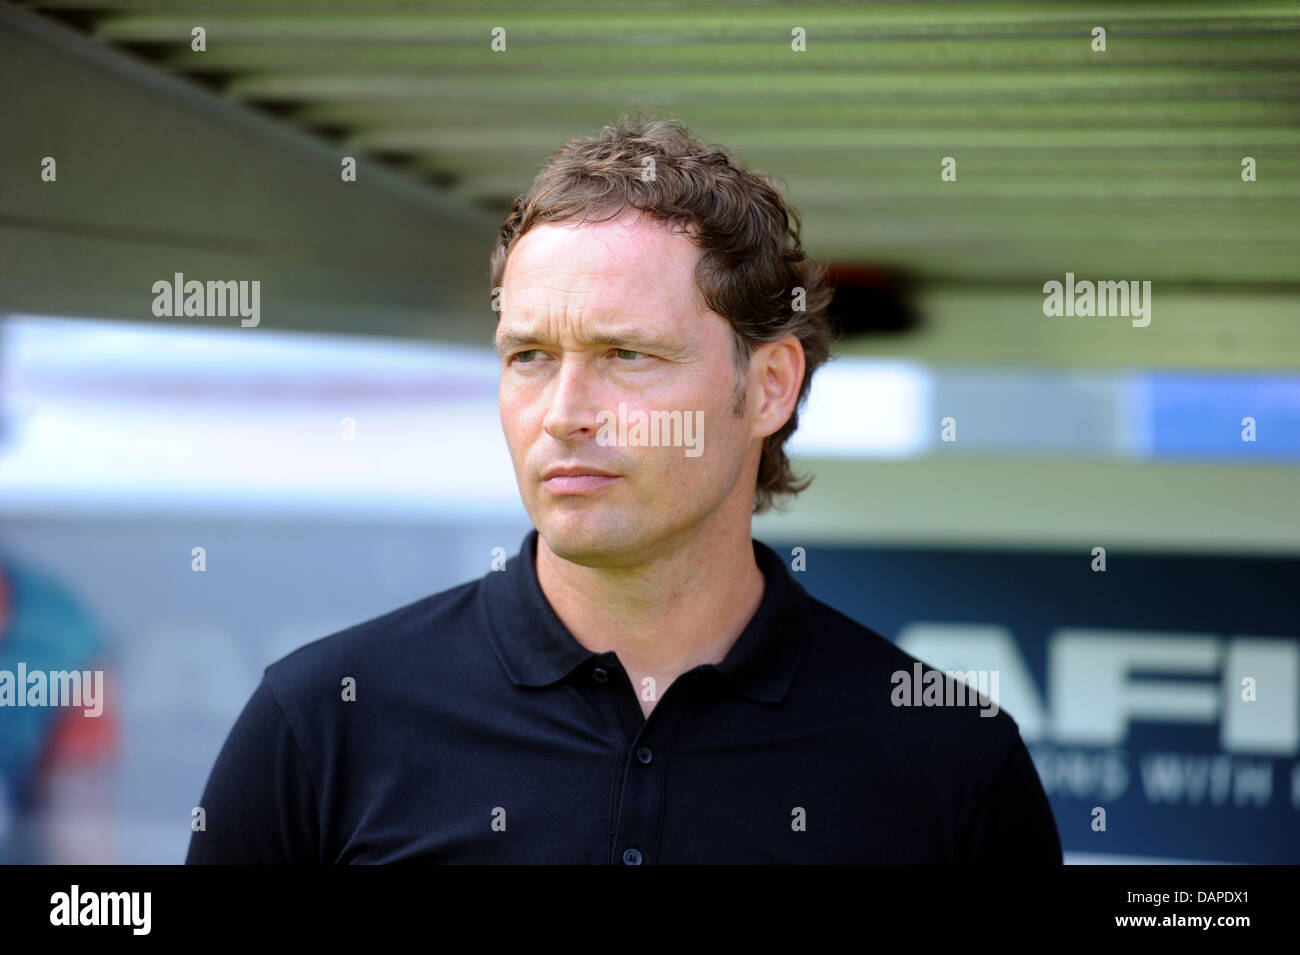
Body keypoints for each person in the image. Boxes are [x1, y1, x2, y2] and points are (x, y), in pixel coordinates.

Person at [186, 116, 1061, 864]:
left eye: (626, 355)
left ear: (768, 386)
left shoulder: (950, 762)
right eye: (529, 356)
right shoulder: (321, 723)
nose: (563, 413)